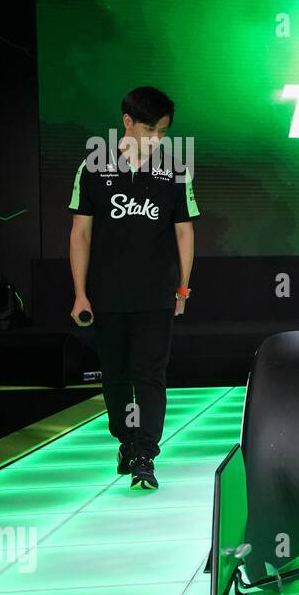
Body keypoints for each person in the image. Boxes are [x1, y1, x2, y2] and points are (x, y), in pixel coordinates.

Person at [68, 86, 199, 490]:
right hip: (107, 293)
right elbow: (80, 233)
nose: (156, 138)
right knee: (115, 374)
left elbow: (184, 233)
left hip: (157, 293)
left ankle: (145, 453)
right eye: (149, 129)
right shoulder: (92, 168)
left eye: (163, 131)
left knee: (150, 373)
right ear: (127, 122)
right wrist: (80, 293)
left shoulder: (175, 170)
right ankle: (126, 442)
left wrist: (183, 289)